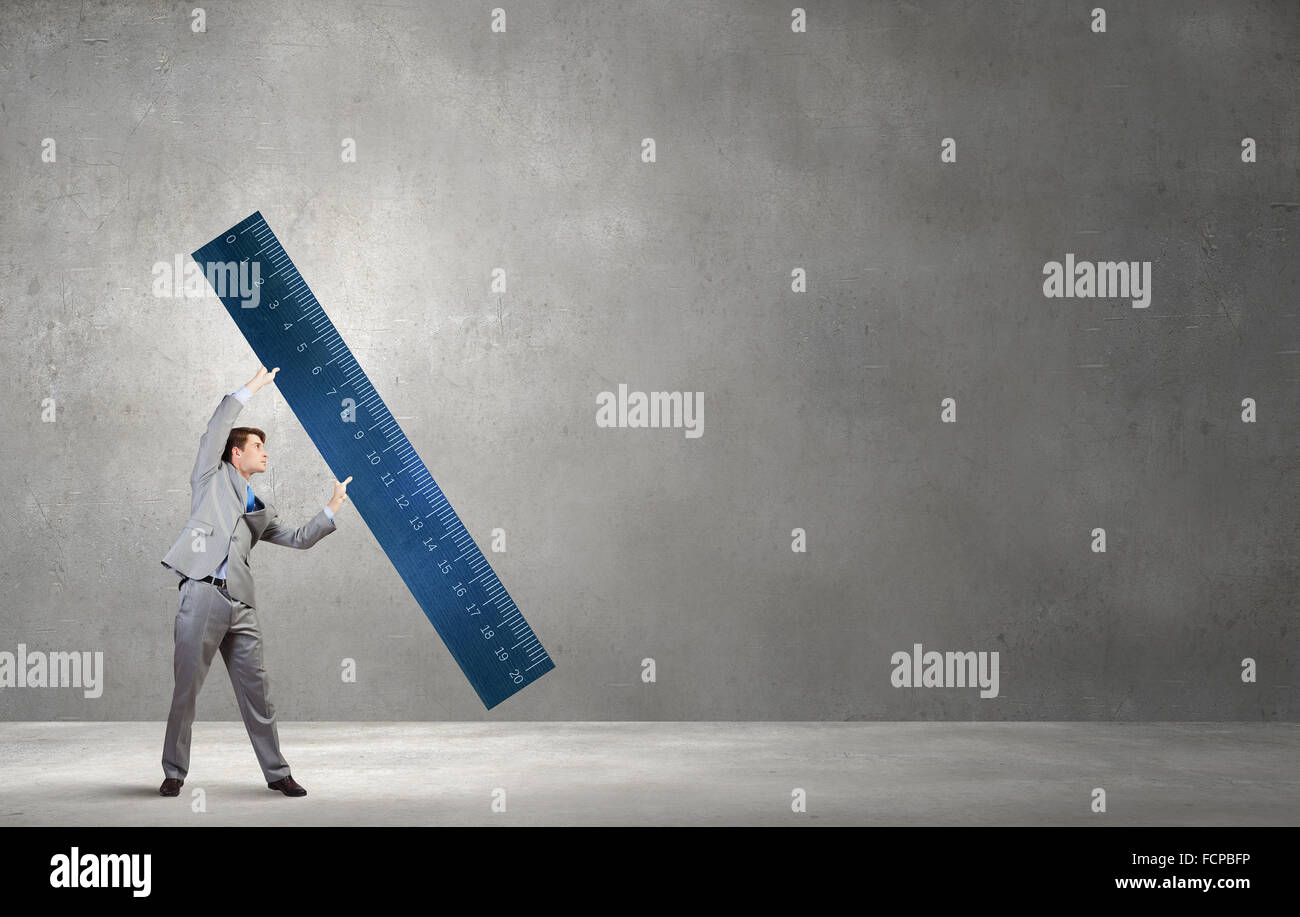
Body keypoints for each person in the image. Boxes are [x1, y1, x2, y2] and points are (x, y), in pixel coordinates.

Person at [158, 365, 352, 798]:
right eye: (258, 446)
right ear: (235, 454)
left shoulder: (260, 508)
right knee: (186, 688)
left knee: (258, 693)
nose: (265, 453)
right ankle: (174, 771)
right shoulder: (208, 478)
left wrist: (332, 508)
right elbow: (216, 427)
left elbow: (299, 540)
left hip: (240, 606)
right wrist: (253, 387)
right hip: (202, 592)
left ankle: (277, 772)